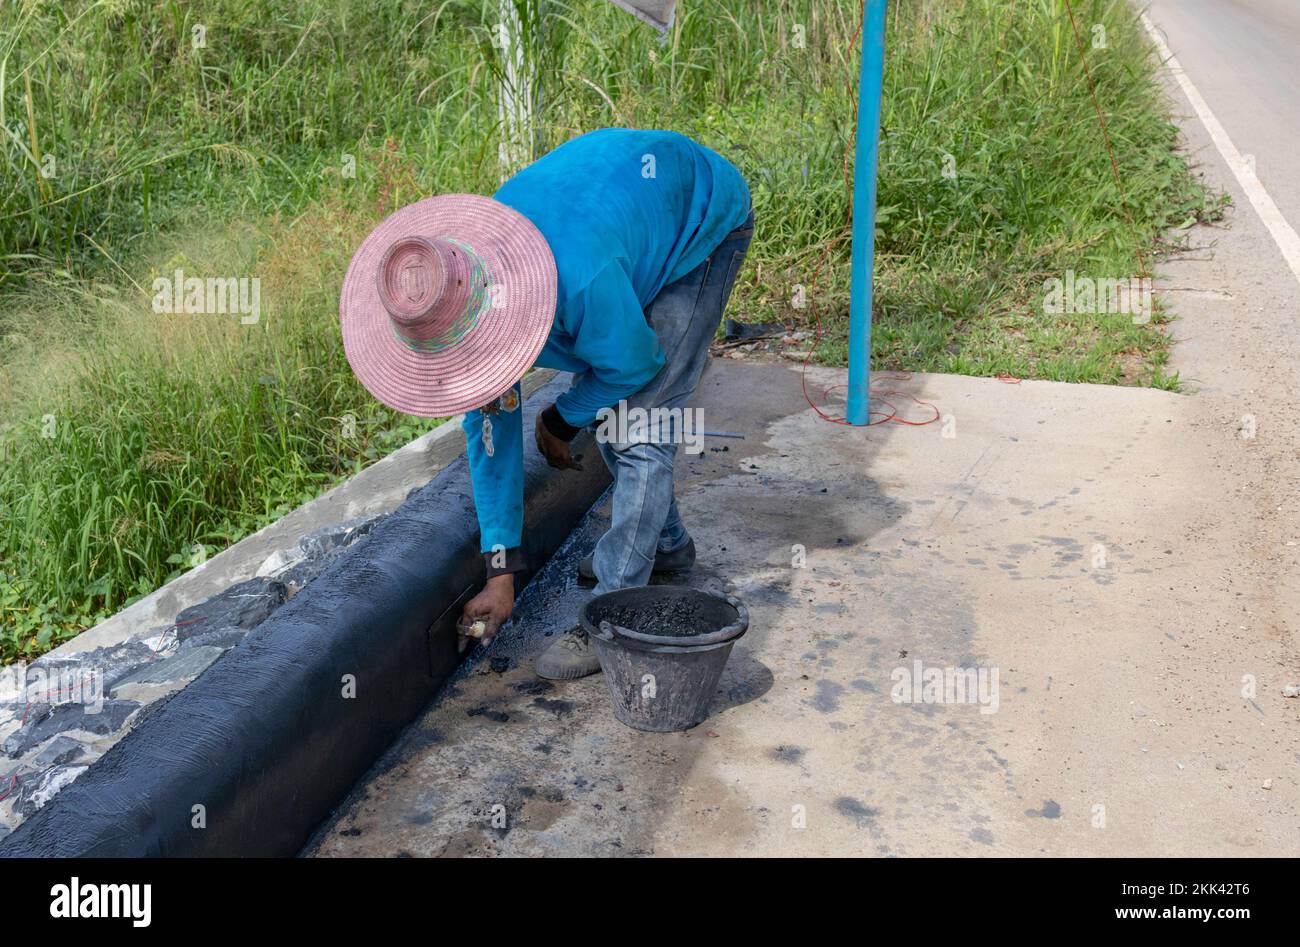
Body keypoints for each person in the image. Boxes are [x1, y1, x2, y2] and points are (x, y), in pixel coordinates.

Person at [339, 128, 752, 680]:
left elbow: (635, 365)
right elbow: (490, 431)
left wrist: (561, 417)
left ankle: (613, 612)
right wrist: (501, 571)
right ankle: (664, 548)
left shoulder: (578, 281)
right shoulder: (466, 278)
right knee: (614, 408)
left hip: (698, 216)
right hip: (617, 222)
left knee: (638, 429)